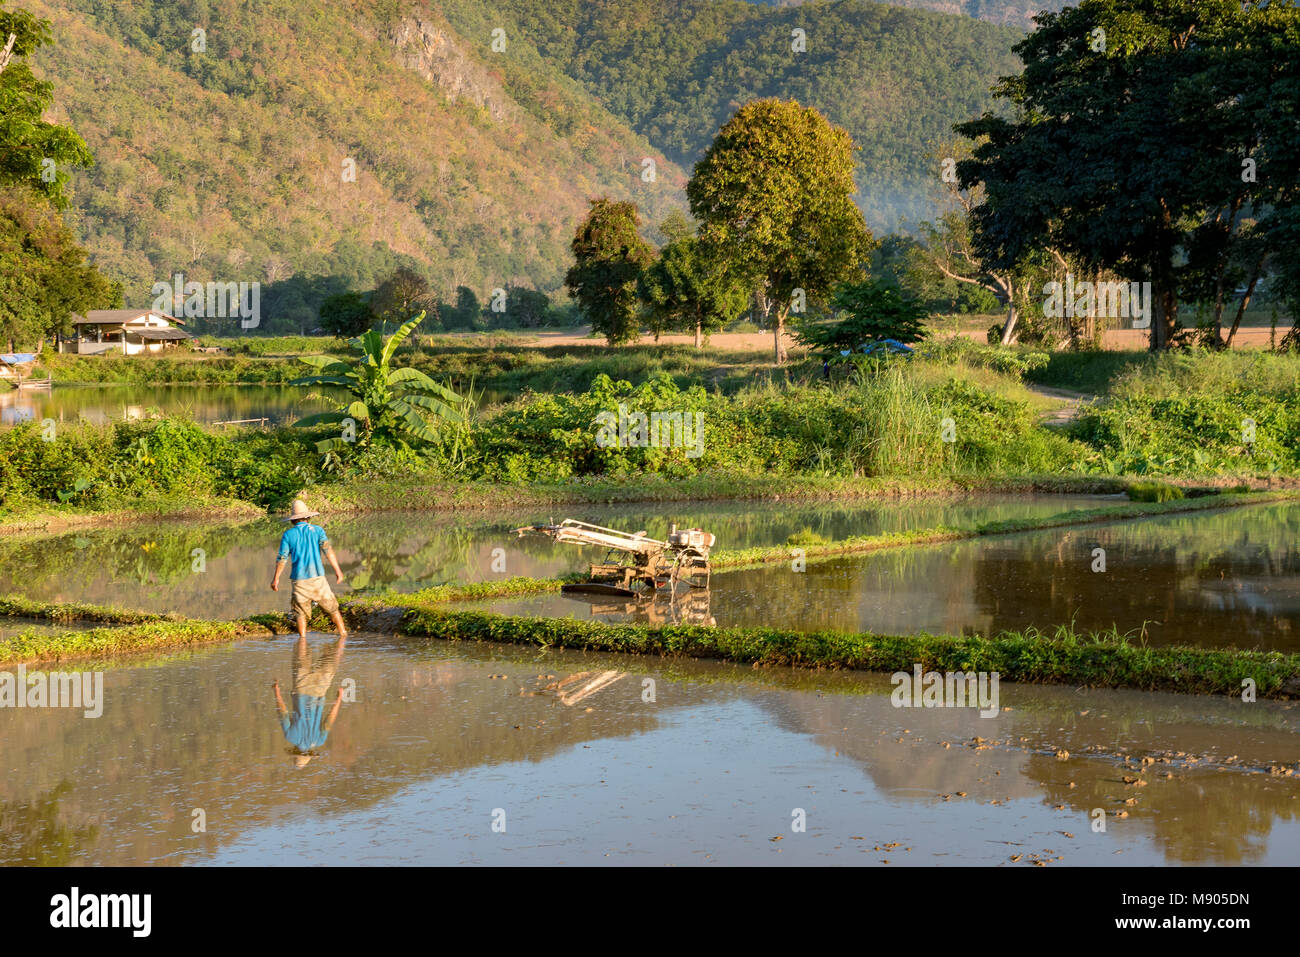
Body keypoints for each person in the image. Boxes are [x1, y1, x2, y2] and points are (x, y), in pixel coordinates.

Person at [270, 498, 347, 640]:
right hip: (318, 578)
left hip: (299, 580)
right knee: (333, 609)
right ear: (308, 517)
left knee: (300, 613)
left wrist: (276, 579)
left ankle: (303, 642)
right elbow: (328, 551)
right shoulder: (317, 530)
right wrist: (338, 571)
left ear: (293, 520)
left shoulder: (288, 535)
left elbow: (282, 558)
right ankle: (343, 634)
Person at [273, 634, 346, 768]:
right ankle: (305, 633)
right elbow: (282, 712)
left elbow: (330, 719)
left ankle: (339, 637)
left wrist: (339, 698)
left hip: (320, 690)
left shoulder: (319, 740)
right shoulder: (290, 737)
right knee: (301, 652)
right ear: (294, 751)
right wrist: (276, 692)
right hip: (301, 688)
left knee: (333, 657)